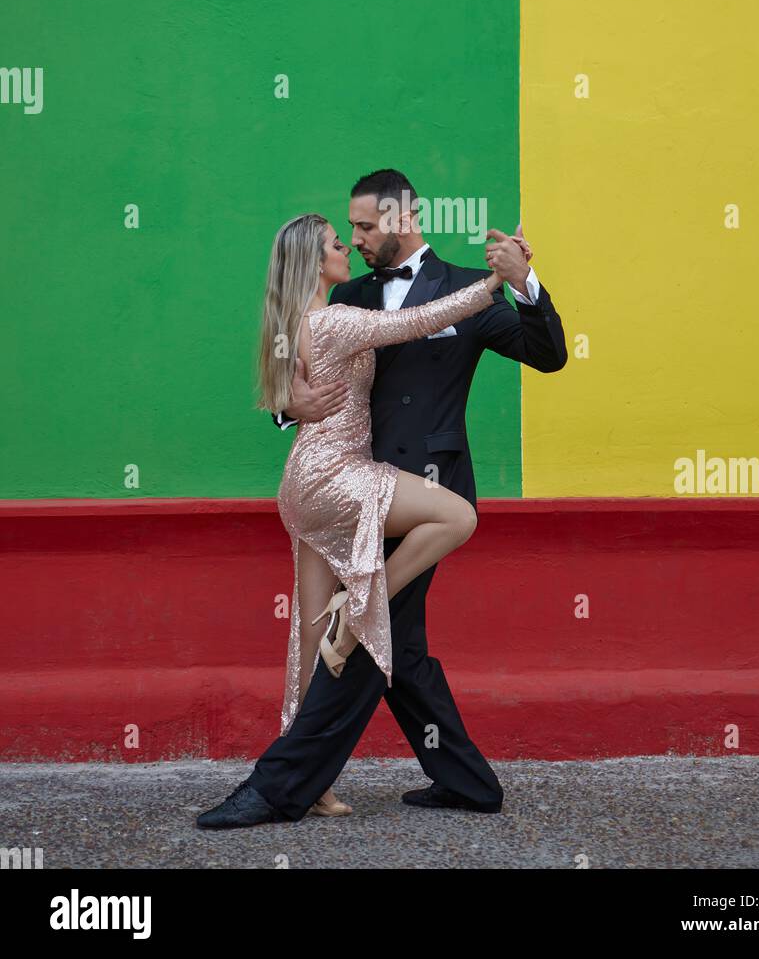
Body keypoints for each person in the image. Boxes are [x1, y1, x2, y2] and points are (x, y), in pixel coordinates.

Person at [197, 169, 567, 829]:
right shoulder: (353, 295)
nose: (358, 239)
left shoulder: (458, 287)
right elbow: (299, 375)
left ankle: (284, 784)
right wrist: (286, 407)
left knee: (372, 638)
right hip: (352, 487)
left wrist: (521, 283)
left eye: (365, 227)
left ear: (400, 219)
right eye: (351, 231)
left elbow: (549, 356)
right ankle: (462, 783)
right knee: (390, 642)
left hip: (424, 493)